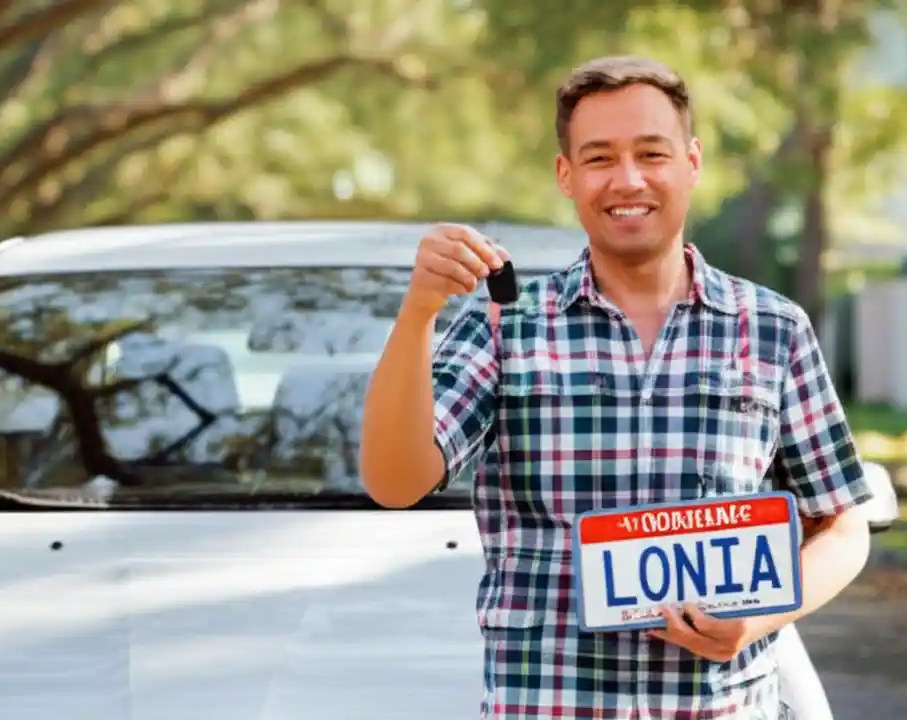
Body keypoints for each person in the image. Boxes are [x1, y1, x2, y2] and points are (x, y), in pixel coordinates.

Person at [359, 55, 874, 719]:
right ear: (565, 175)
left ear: (691, 163)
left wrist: (758, 618)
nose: (627, 180)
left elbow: (843, 524)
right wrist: (418, 312)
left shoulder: (773, 329)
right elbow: (393, 481)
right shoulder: (504, 326)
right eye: (599, 158)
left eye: (651, 154)